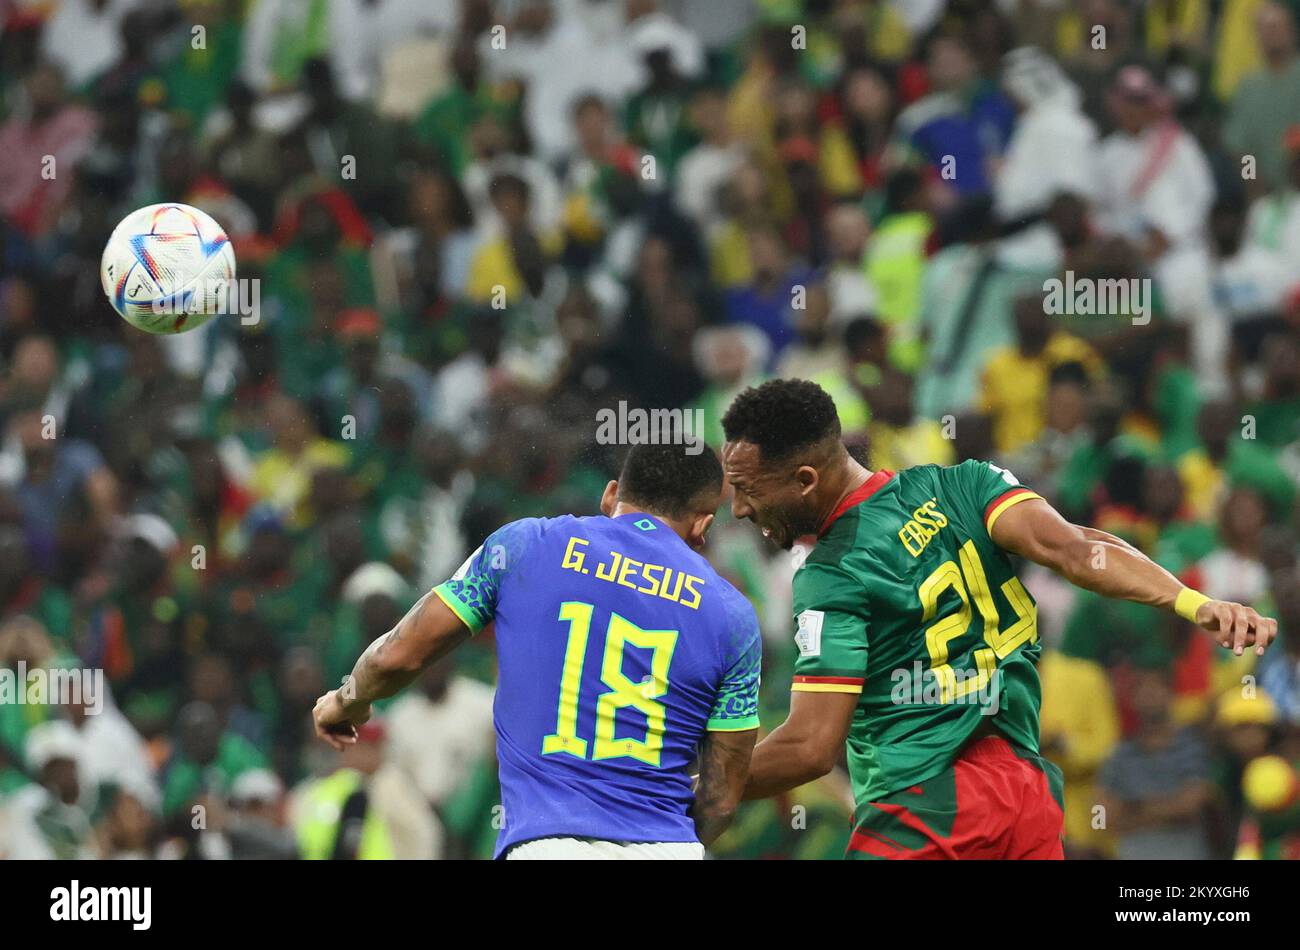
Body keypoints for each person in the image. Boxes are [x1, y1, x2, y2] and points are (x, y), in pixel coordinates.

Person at [717, 379, 1278, 859]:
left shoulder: (831, 573)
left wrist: (686, 789)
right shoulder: (965, 484)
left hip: (925, 810)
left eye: (746, 491)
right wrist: (1193, 603)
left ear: (805, 480)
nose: (740, 510)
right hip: (1025, 798)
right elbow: (1079, 550)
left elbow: (811, 747)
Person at [312, 442, 761, 859]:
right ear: (702, 524)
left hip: (547, 846)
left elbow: (396, 656)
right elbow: (720, 802)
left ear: (610, 495)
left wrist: (346, 701)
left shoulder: (525, 546)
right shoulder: (733, 616)